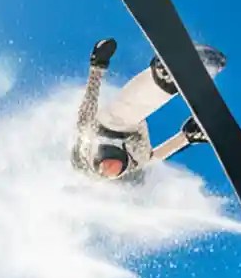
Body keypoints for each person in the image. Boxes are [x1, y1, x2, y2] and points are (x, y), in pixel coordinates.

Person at [71, 38, 222, 181]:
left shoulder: (85, 145)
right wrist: (185, 138)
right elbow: (154, 158)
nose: (109, 168)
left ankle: (163, 77)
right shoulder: (132, 167)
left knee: (119, 116)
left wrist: (97, 66)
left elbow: (87, 111)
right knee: (142, 161)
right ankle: (168, 81)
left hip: (112, 125)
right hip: (134, 142)